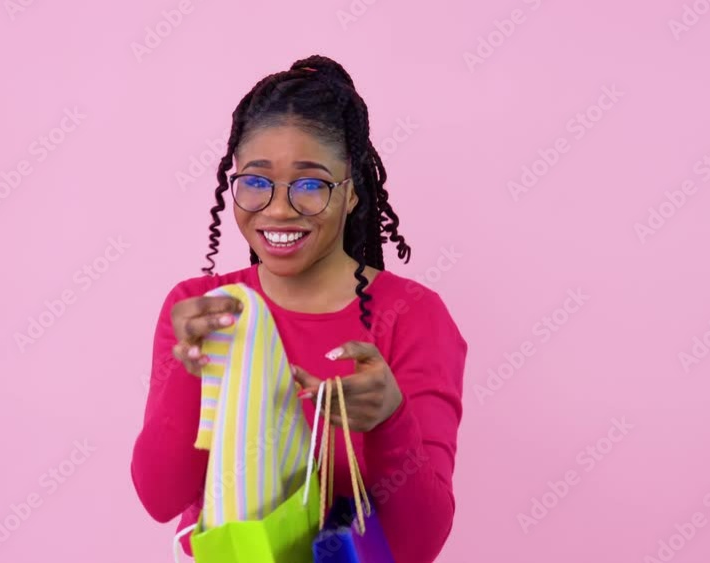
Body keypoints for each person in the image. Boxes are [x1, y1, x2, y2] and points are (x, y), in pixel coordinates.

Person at [131, 54, 467, 563]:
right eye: (257, 182)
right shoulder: (202, 309)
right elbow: (160, 498)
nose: (280, 208)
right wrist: (187, 366)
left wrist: (389, 419)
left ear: (352, 191)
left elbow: (419, 546)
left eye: (311, 184)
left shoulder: (414, 316)